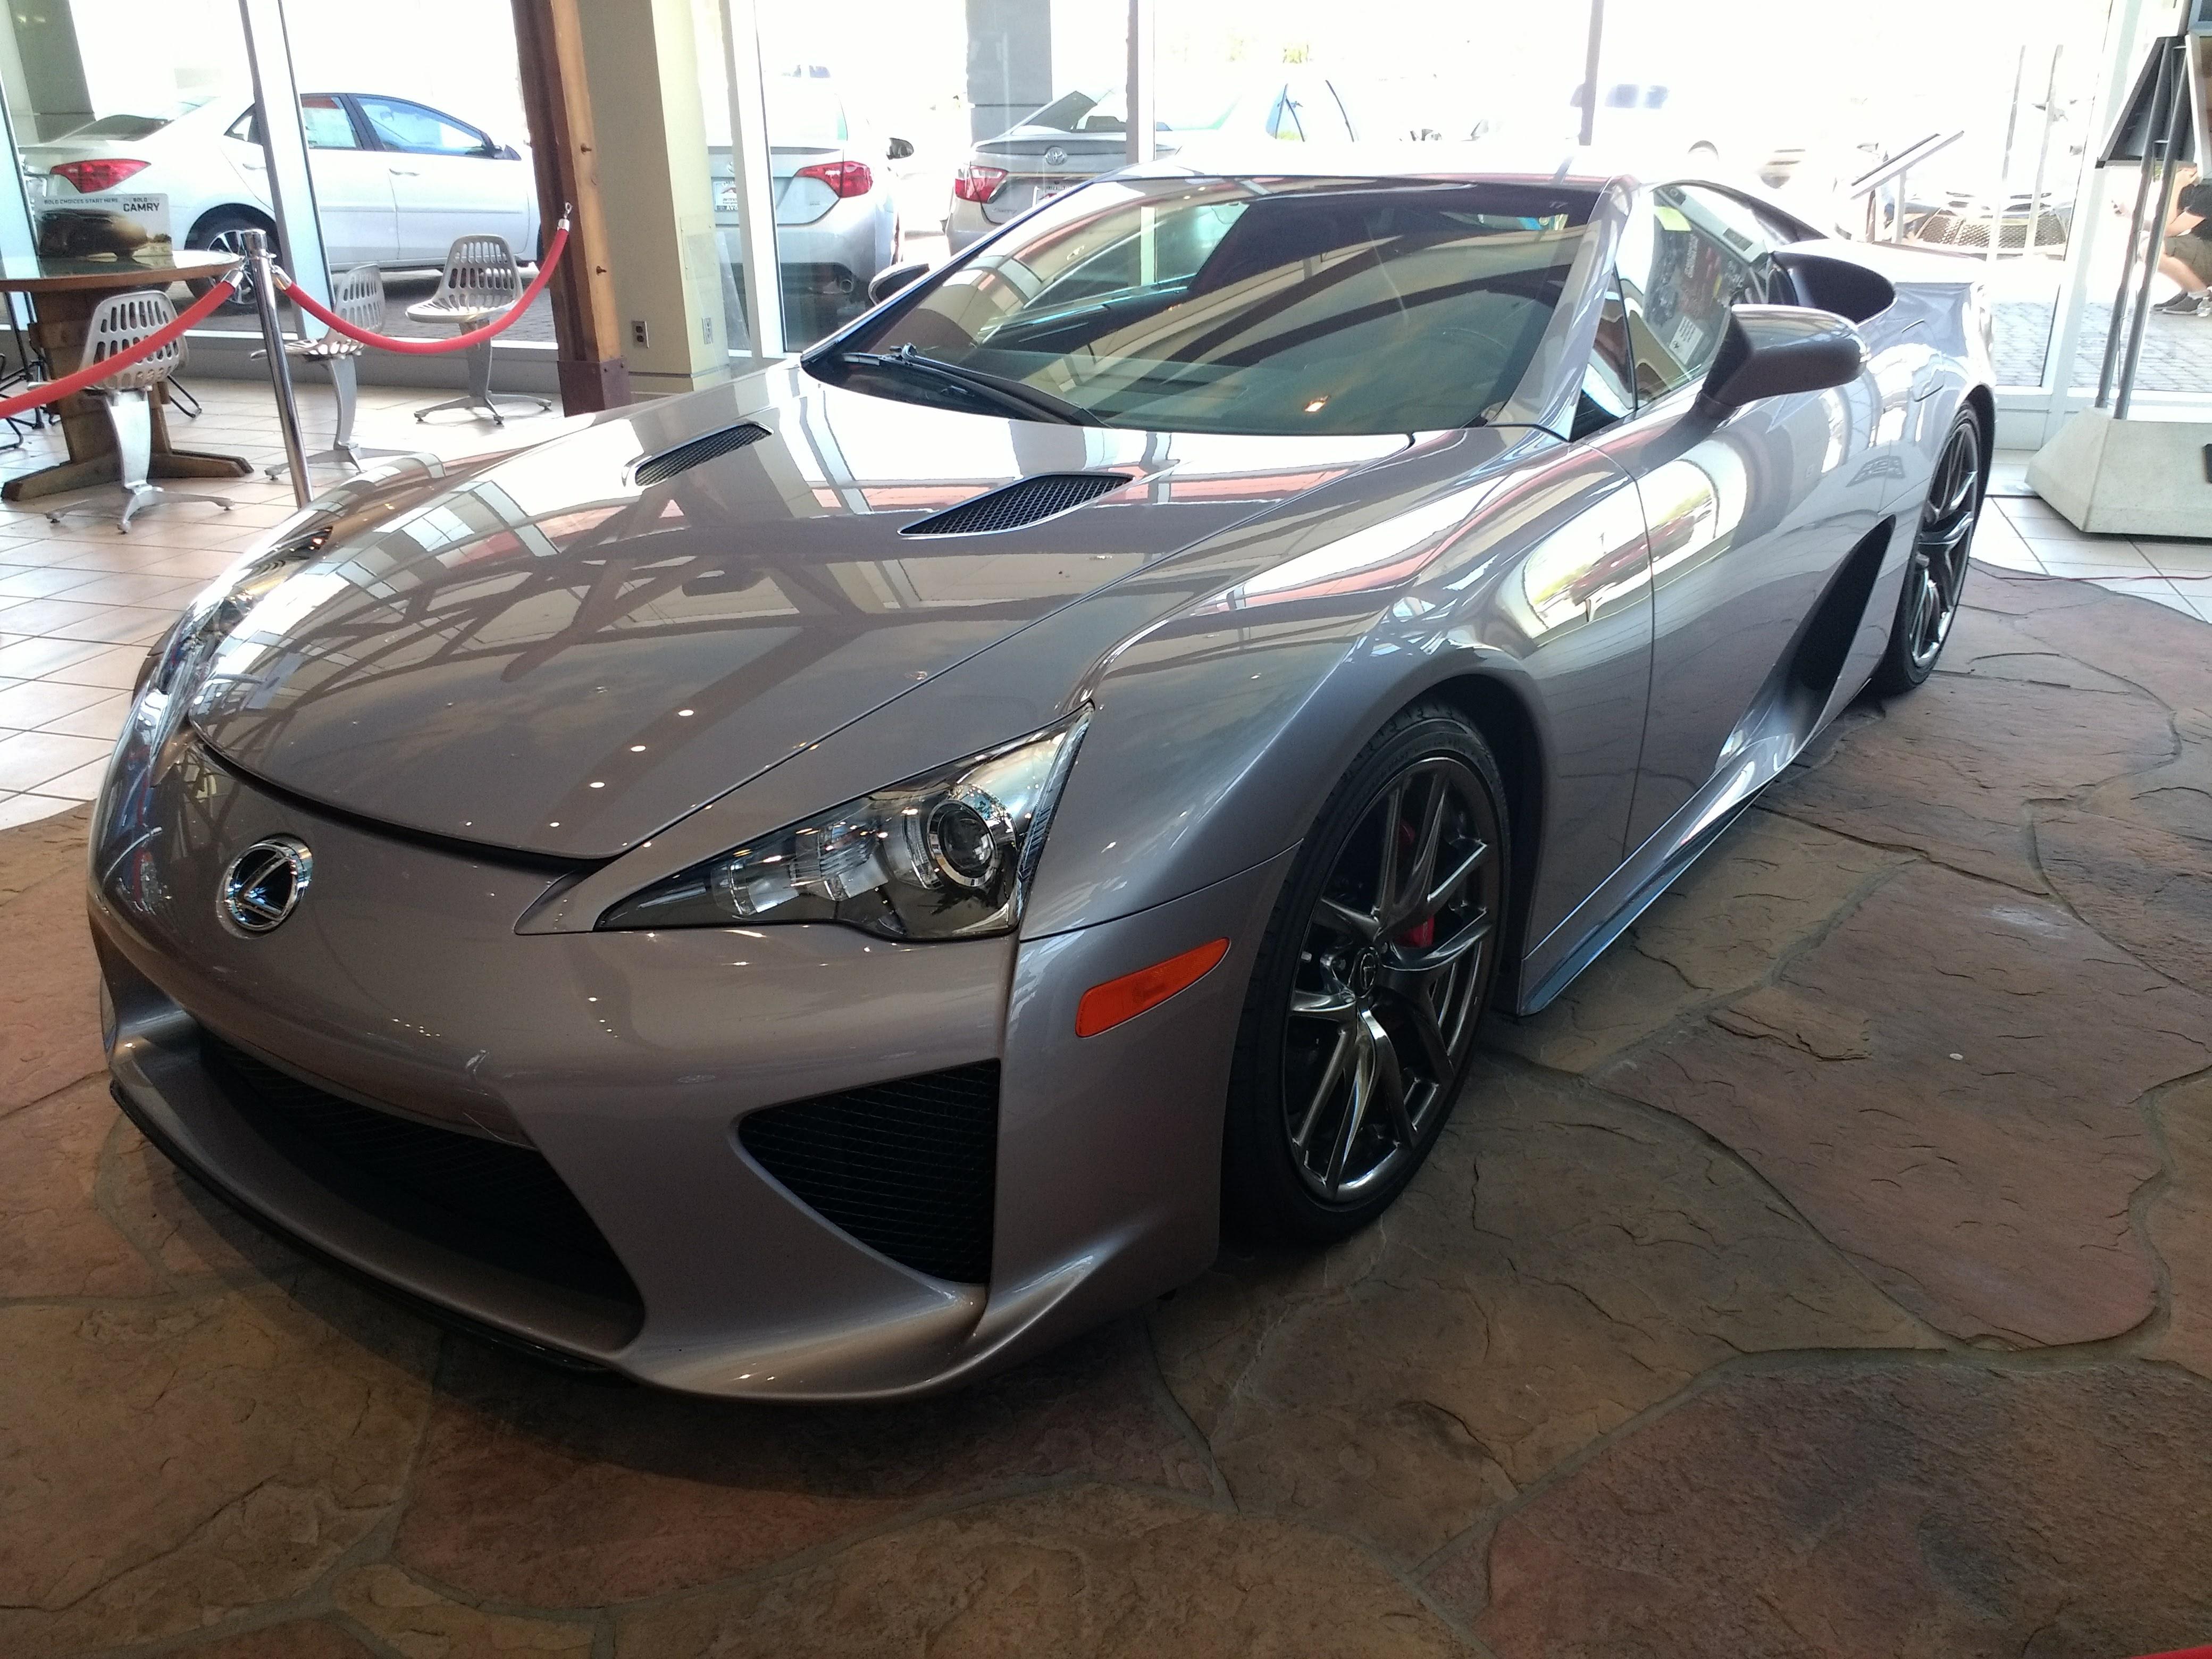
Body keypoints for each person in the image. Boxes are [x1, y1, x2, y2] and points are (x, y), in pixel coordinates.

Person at [2155, 163, 2212, 315]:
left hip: (2208, 247)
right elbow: (2166, 226)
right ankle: (2189, 289)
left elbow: (2168, 230)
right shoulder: (2191, 188)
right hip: (2203, 245)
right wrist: (2132, 215)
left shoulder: (2209, 191)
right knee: (2149, 243)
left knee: (2152, 249)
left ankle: (2199, 296)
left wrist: (2175, 186)